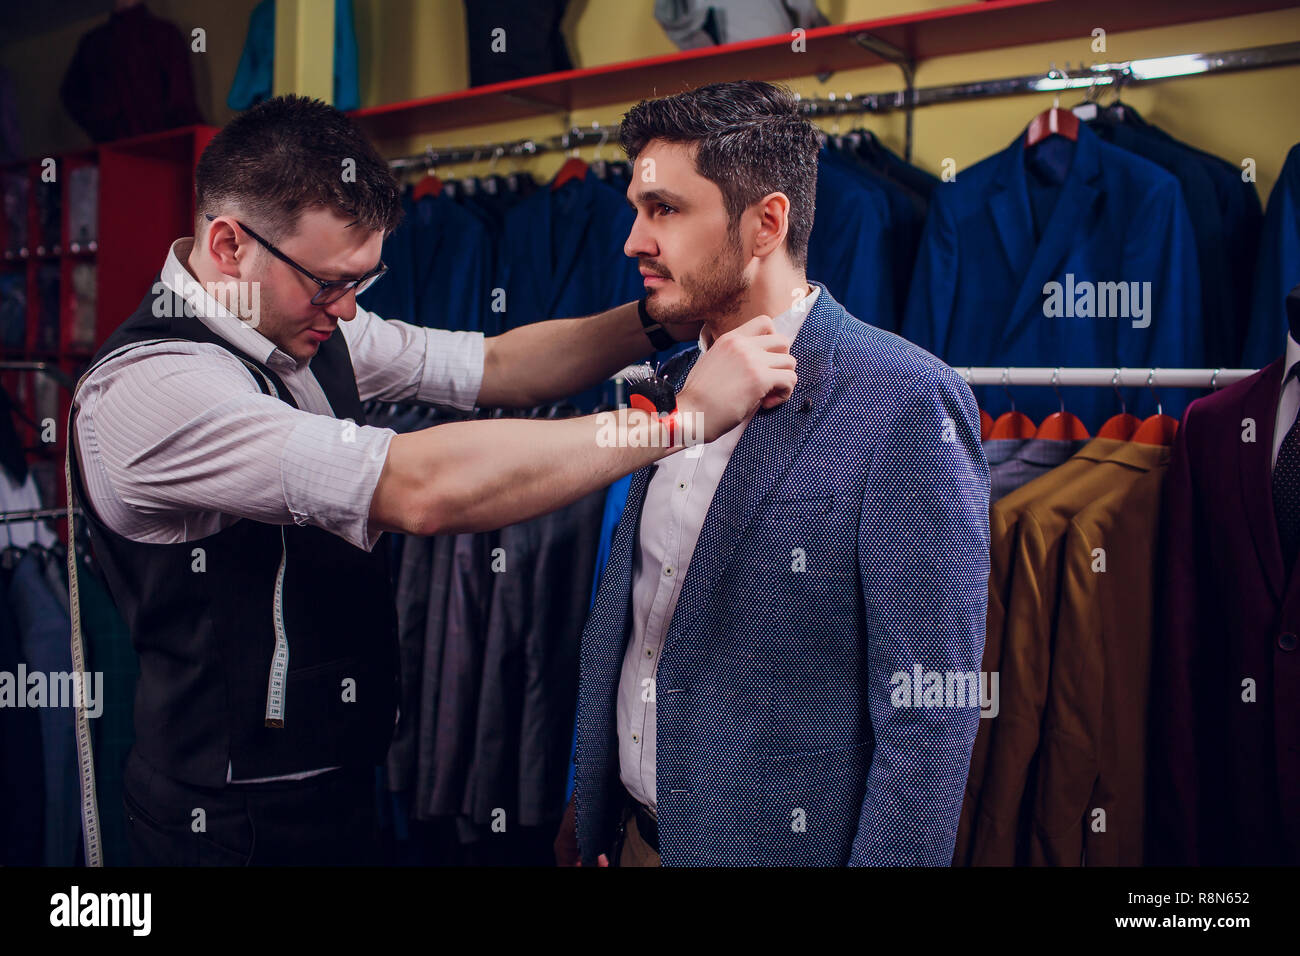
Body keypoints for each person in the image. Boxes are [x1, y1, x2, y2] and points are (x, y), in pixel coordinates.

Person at [67, 94, 796, 866]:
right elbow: (418, 487)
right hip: (226, 817)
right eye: (328, 284)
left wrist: (658, 317)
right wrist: (677, 422)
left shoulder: (296, 318)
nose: (347, 310)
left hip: (339, 783)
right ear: (227, 246)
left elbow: (499, 367)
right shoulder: (154, 392)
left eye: (362, 282)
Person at [570, 80, 990, 866]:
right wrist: (590, 804)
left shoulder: (904, 400)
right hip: (630, 841)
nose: (632, 239)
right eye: (636, 208)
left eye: (664, 209)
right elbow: (638, 627)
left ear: (766, 222)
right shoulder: (662, 383)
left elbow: (931, 715)